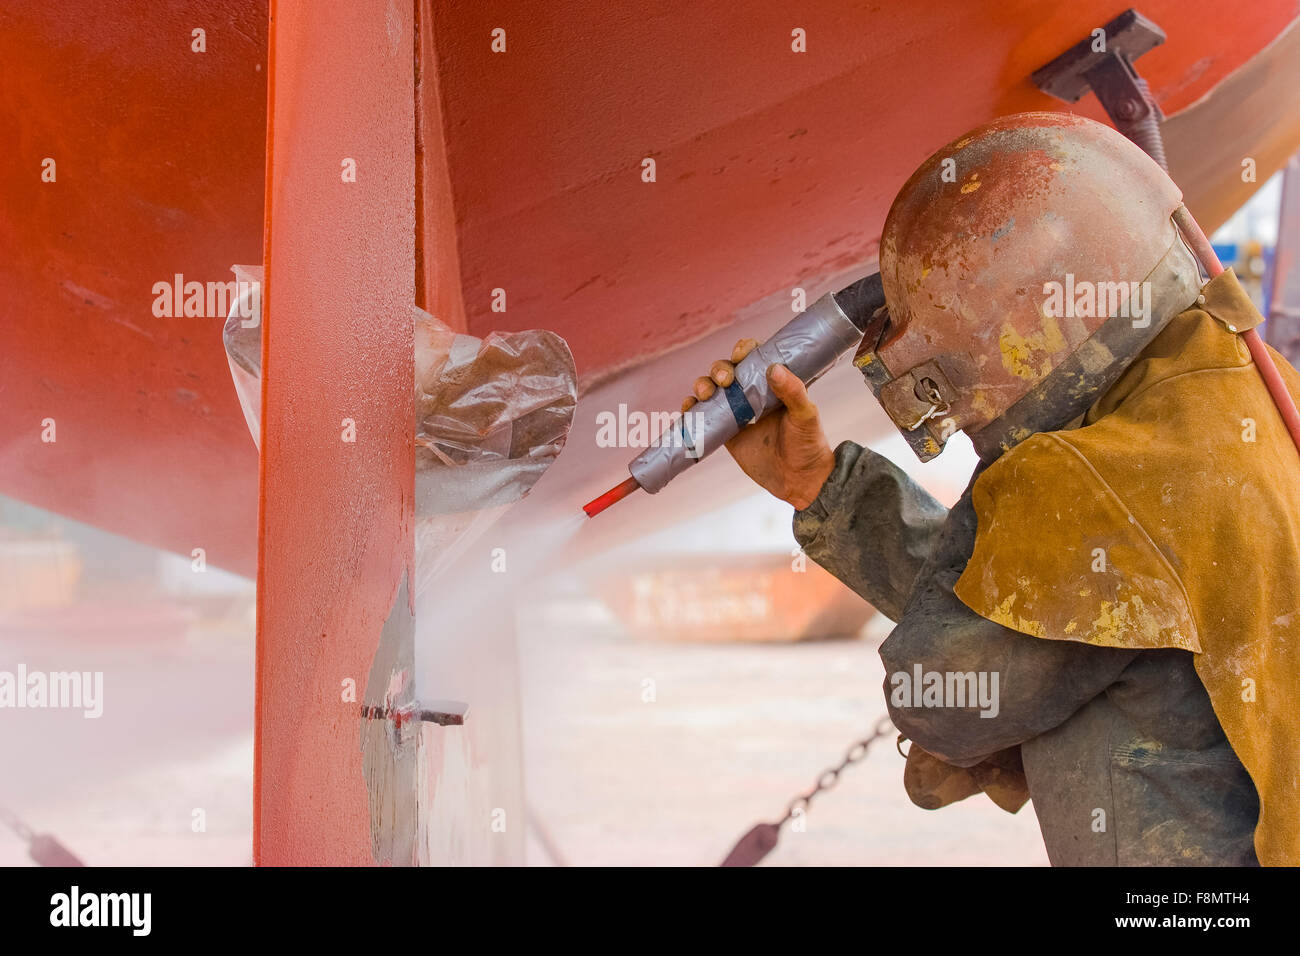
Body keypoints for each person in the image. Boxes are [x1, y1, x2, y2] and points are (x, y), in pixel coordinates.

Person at [681, 112, 1300, 866]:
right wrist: (821, 485)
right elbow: (1028, 617)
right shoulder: (1260, 395)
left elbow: (939, 693)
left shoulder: (1090, 477)